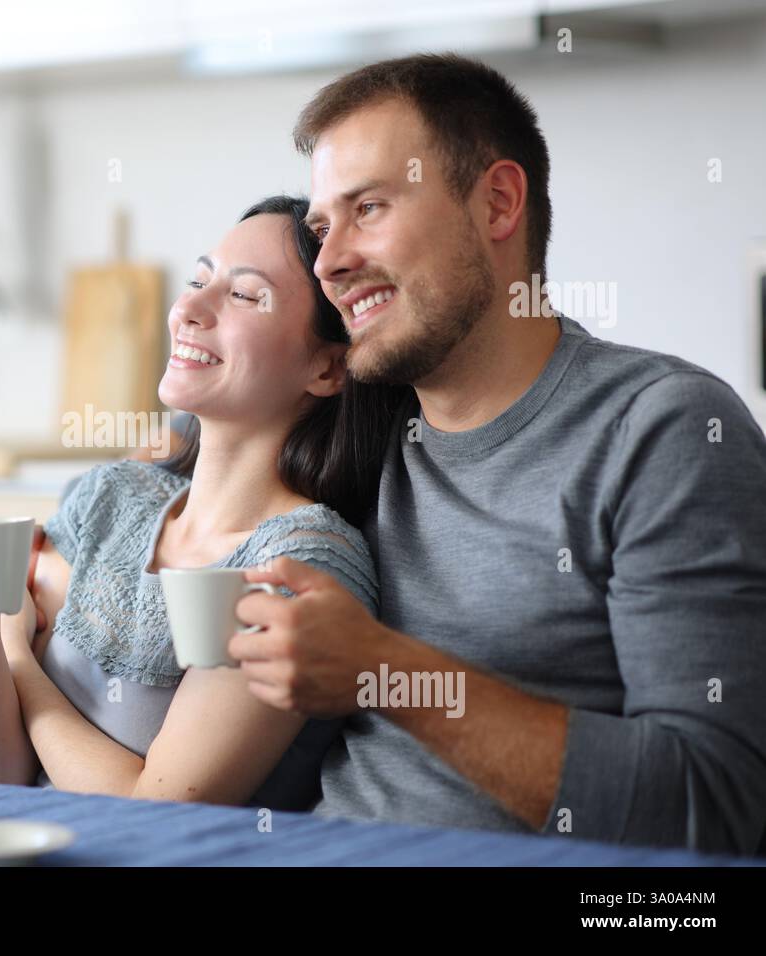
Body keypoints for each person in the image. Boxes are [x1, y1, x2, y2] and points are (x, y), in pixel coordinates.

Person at [216, 53, 766, 854]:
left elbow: (716, 810)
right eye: (321, 227)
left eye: (368, 207)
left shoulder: (662, 433)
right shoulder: (356, 423)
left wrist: (387, 673)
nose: (329, 261)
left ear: (498, 203)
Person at [0, 195, 406, 810]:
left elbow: (158, 806)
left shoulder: (298, 564)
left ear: (327, 368)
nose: (187, 309)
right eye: (199, 280)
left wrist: (15, 649)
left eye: (243, 295)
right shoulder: (113, 498)